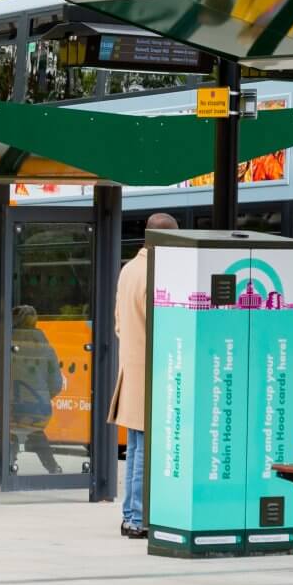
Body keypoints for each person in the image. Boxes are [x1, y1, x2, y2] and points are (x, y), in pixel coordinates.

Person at [111, 212, 177, 538]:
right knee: (144, 451)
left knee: (137, 446)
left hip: (132, 370)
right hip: (152, 372)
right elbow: (164, 326)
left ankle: (129, 515)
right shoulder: (158, 271)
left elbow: (119, 323)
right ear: (163, 239)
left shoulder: (128, 270)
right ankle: (138, 518)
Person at [9, 304, 65, 475]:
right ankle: (53, 467)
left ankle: (8, 466)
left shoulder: (7, 341)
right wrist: (43, 397)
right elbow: (56, 382)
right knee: (35, 430)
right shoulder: (45, 346)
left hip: (12, 407)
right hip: (40, 408)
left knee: (8, 428)